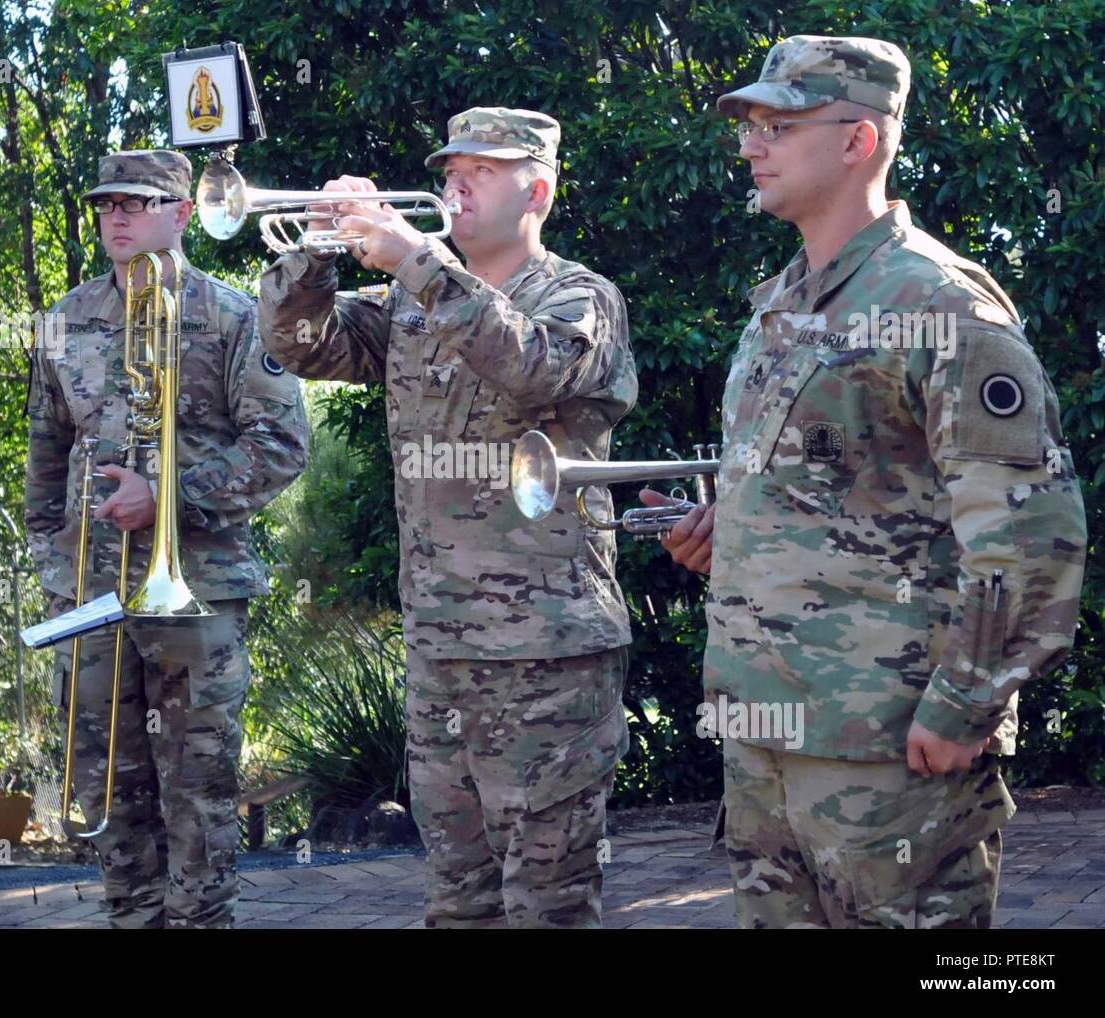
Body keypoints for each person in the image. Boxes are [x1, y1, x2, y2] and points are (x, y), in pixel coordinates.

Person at [645, 35, 1087, 929]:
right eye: (749, 126)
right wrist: (727, 532)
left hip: (892, 757)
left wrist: (966, 702)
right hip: (766, 737)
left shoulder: (939, 304)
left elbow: (1031, 535)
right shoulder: (780, 305)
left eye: (778, 124)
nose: (750, 145)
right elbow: (840, 502)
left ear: (859, 141)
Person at [258, 108, 638, 928]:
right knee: (457, 901)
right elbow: (296, 343)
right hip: (440, 647)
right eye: (451, 169)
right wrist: (316, 251)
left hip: (549, 651)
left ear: (537, 188)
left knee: (547, 905)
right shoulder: (407, 303)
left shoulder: (579, 296)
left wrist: (420, 263)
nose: (456, 182)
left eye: (483, 169)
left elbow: (534, 368)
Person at [25, 149, 308, 928]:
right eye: (105, 204)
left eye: (135, 202)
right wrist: (51, 551)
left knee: (198, 788)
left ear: (182, 214)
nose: (115, 216)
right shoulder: (66, 319)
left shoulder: (235, 316)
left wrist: (170, 499)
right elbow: (46, 447)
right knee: (108, 791)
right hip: (91, 591)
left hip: (199, 591)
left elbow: (282, 446)